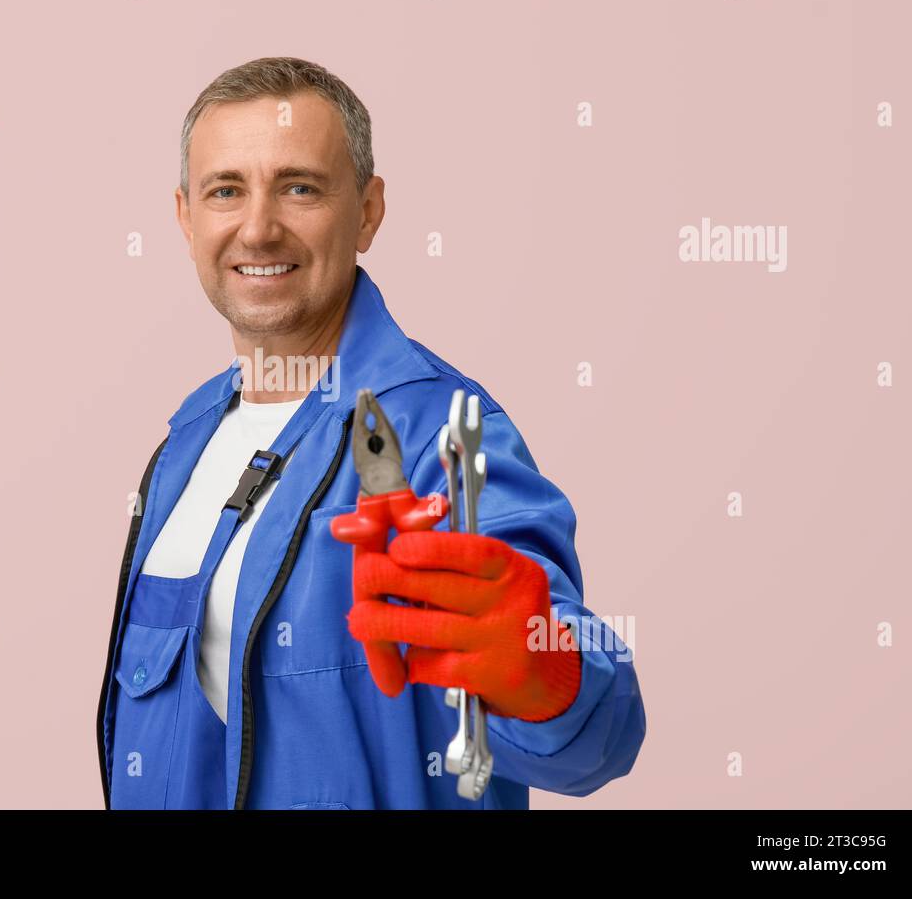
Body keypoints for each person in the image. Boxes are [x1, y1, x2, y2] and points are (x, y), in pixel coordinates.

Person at [96, 56, 646, 809]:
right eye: (227, 191)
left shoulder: (438, 435)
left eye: (300, 187)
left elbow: (601, 737)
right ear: (187, 217)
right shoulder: (184, 447)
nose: (258, 228)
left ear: (369, 210)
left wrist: (542, 667)